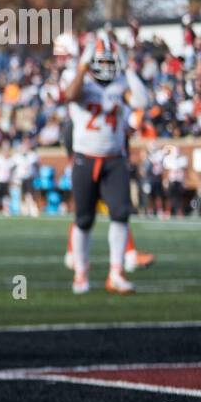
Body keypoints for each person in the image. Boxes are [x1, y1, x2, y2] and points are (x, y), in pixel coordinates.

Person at [59, 33, 150, 294]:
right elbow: (70, 94)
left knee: (121, 214)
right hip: (85, 158)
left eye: (112, 62)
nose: (108, 67)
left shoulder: (122, 82)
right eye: (103, 62)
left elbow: (142, 101)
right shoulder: (78, 78)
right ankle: (81, 273)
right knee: (84, 219)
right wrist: (83, 66)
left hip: (115, 159)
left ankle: (116, 273)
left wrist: (129, 68)